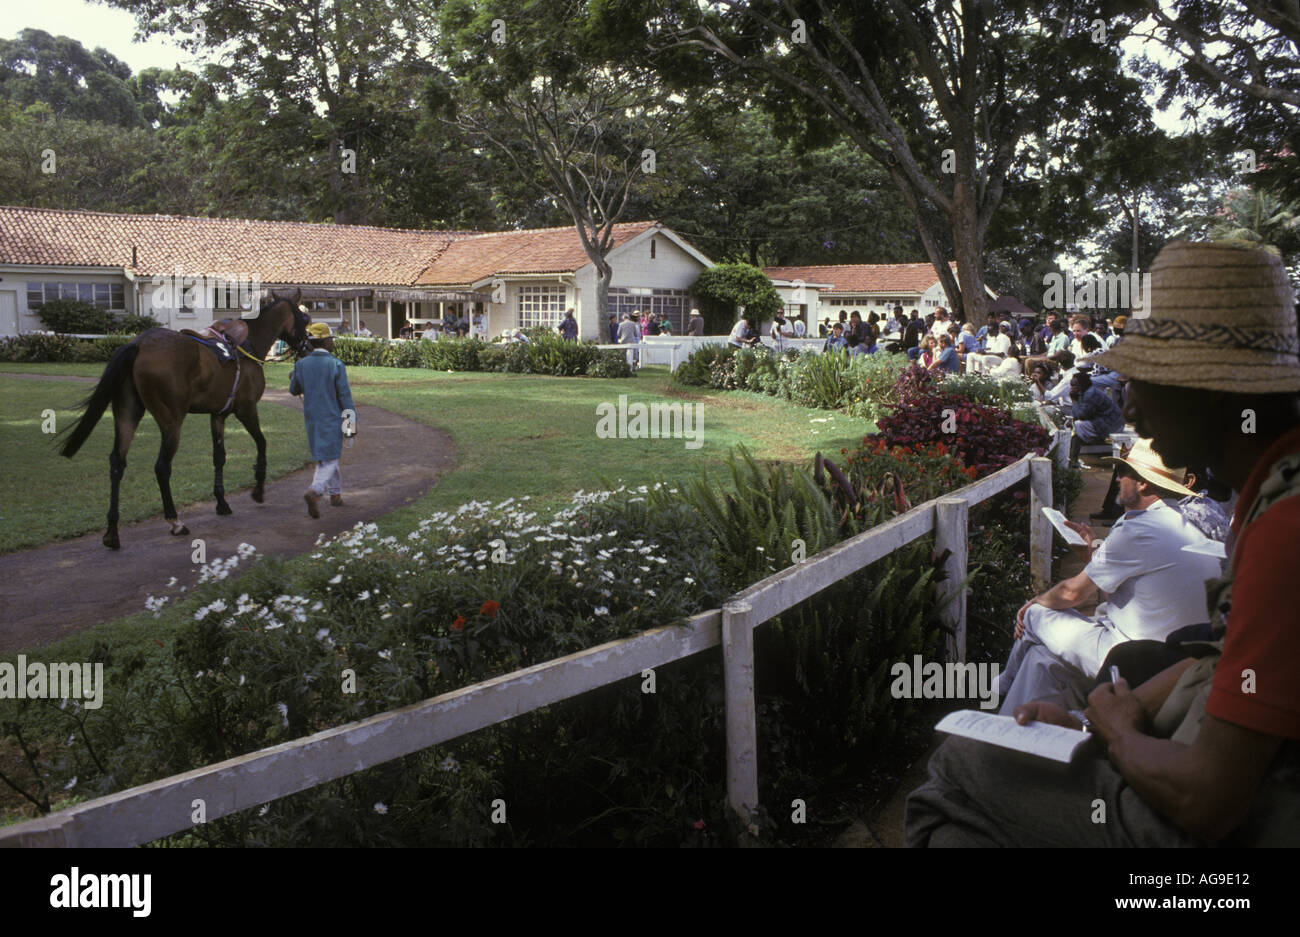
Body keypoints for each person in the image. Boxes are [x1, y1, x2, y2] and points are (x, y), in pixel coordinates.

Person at [908, 240, 1300, 847]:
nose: (1132, 407)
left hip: (1236, 818)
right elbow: (1225, 661)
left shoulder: (1284, 532)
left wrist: (1118, 737)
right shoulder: (1268, 495)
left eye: (1148, 380)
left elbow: (1207, 799)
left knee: (958, 768)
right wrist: (1105, 717)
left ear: (1214, 393)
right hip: (1197, 747)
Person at [996, 439, 1220, 710]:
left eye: (1123, 473)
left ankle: (1000, 686)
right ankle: (1012, 721)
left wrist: (1034, 603)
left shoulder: (1138, 529)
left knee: (1035, 615)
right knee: (1041, 660)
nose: (1117, 480)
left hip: (1134, 659)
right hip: (1174, 658)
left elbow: (1072, 594)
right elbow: (1122, 595)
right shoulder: (1183, 520)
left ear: (1142, 483)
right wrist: (1093, 555)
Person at [290, 323, 356, 517]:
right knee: (331, 457)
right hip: (332, 418)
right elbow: (344, 397)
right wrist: (351, 422)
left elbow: (294, 390)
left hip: (312, 419)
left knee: (325, 456)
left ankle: (335, 495)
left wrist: (294, 377)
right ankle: (316, 490)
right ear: (325, 341)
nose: (332, 343)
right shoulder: (336, 365)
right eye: (331, 339)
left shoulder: (301, 365)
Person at [1068, 370, 1125, 465]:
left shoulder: (1091, 394)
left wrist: (1074, 400)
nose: (1072, 388)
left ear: (1082, 384)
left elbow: (1081, 415)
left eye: (1075, 386)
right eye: (1072, 385)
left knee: (1078, 425)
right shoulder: (1084, 392)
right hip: (1104, 422)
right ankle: (1073, 459)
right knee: (1076, 425)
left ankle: (1073, 459)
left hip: (1113, 425)